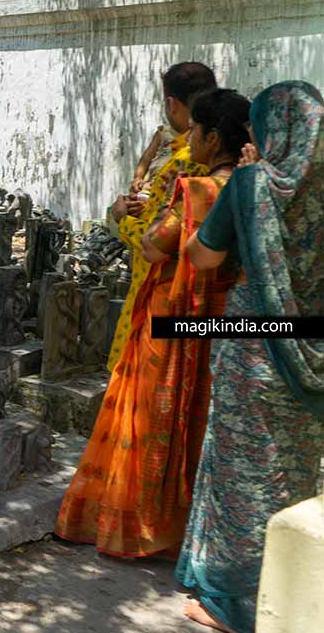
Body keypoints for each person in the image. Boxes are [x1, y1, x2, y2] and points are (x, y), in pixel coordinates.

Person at [56, 88, 250, 558]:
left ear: (211, 138)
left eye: (197, 134)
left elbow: (153, 246)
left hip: (173, 318)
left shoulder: (202, 193)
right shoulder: (256, 186)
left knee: (150, 419)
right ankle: (186, 527)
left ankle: (143, 526)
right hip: (223, 323)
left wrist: (136, 215)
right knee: (200, 419)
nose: (192, 141)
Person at [176, 81, 324, 633]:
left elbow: (204, 258)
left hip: (256, 353)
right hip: (313, 361)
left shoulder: (250, 185)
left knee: (242, 476)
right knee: (294, 472)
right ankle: (291, 590)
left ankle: (232, 606)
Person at [107, 62, 218, 371]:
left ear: (171, 103)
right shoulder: (219, 159)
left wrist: (121, 218)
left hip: (161, 293)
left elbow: (154, 245)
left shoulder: (189, 161)